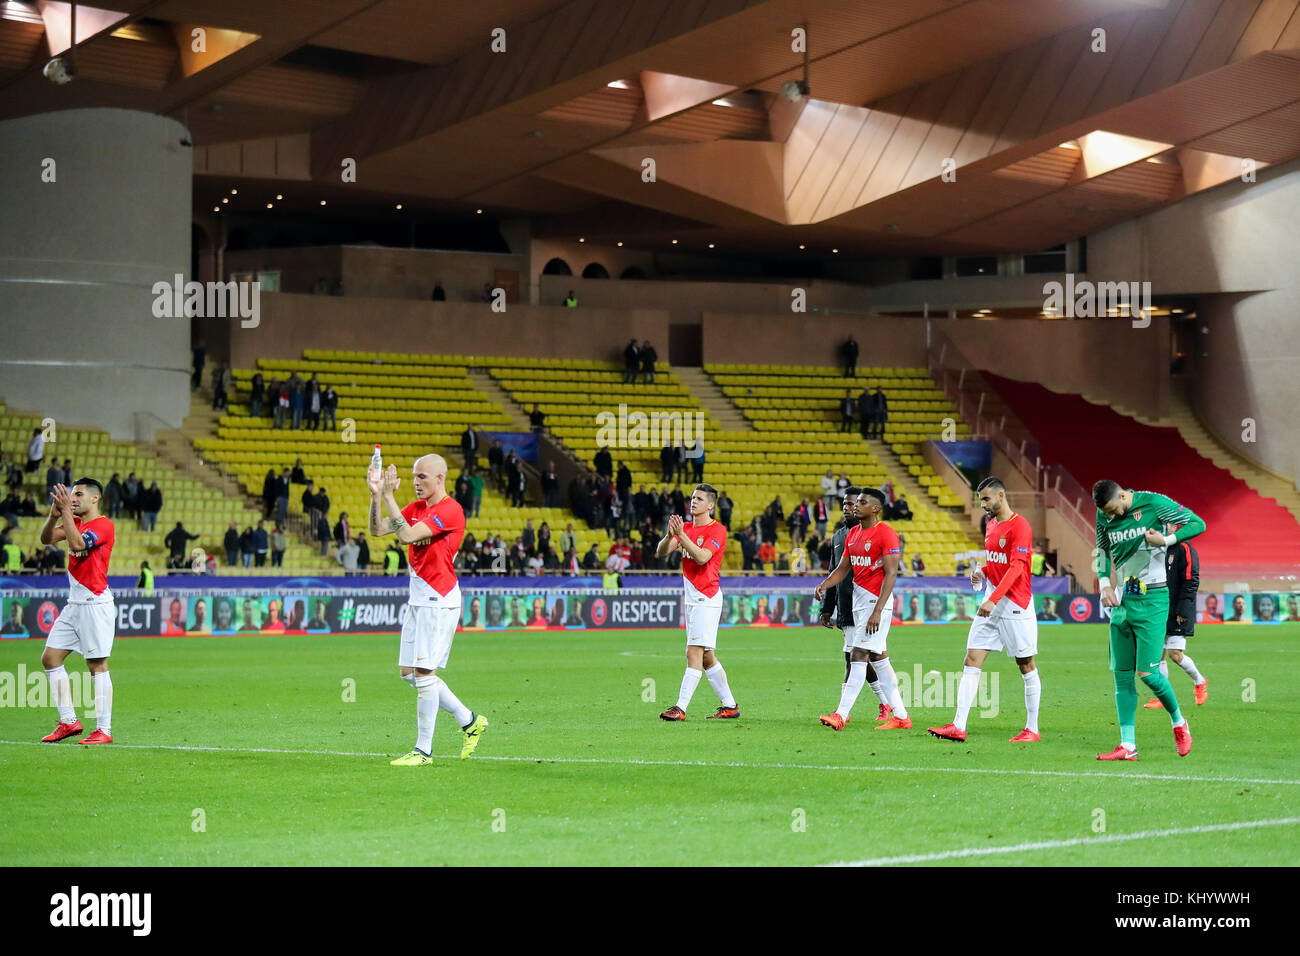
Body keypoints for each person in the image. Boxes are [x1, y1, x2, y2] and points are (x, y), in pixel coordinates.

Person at [368, 453, 488, 765]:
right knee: (409, 674)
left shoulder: (451, 510)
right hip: (418, 599)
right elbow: (377, 530)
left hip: (438, 598)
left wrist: (389, 495)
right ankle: (469, 720)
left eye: (422, 477)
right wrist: (376, 496)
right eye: (413, 477)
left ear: (440, 478)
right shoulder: (417, 508)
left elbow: (406, 536)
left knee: (424, 673)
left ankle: (423, 751)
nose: (416, 482)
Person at [1091, 480, 1205, 761]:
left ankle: (1179, 722)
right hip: (1123, 597)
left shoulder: (1153, 503)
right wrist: (1105, 583)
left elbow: (1197, 523)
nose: (1110, 516)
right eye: (1106, 512)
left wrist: (1165, 540)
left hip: (1153, 598)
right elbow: (1102, 550)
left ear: (1122, 495)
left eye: (1113, 509)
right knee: (1121, 676)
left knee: (1149, 674)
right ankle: (1128, 746)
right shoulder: (1103, 513)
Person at [928, 477, 1042, 744]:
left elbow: (1016, 567)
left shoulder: (1020, 526)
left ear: (1001, 496)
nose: (983, 505)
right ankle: (958, 726)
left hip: (1015, 603)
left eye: (986, 499)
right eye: (981, 500)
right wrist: (983, 571)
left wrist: (993, 599)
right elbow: (997, 563)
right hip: (992, 600)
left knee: (1025, 664)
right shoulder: (991, 525)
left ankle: (1032, 729)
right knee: (972, 659)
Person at [38, 478, 116, 746]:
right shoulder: (76, 522)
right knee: (50, 658)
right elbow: (46, 539)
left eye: (79, 494)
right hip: (75, 604)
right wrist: (53, 515)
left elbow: (78, 545)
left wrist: (67, 514)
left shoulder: (104, 525)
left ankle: (104, 729)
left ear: (94, 498)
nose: (73, 498)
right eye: (71, 495)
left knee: (96, 665)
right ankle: (69, 721)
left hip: (95, 604)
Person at [656, 484, 737, 721]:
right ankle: (730, 705)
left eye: (699, 499)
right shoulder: (687, 528)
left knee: (693, 652)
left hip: (706, 597)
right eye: (692, 498)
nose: (694, 502)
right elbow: (661, 552)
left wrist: (681, 536)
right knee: (706, 656)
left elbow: (702, 557)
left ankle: (680, 708)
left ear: (710, 505)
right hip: (692, 600)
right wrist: (670, 535)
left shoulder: (718, 530)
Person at [817, 487, 894, 727]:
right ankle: (895, 709)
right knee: (872, 657)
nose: (848, 508)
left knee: (859, 656)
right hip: (849, 605)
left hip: (870, 603)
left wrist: (878, 609)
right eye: (846, 504)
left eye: (854, 503)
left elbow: (890, 572)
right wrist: (827, 607)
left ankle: (844, 711)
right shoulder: (842, 536)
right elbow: (836, 569)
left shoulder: (881, 534)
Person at [1144, 530, 1208, 710]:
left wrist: (1183, 609)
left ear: (1179, 526)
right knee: (1159, 655)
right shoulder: (1161, 548)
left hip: (1178, 611)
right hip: (1160, 609)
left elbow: (1191, 580)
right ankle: (1161, 697)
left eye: (1170, 523)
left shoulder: (1185, 548)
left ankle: (1200, 681)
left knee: (1175, 655)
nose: (1166, 527)